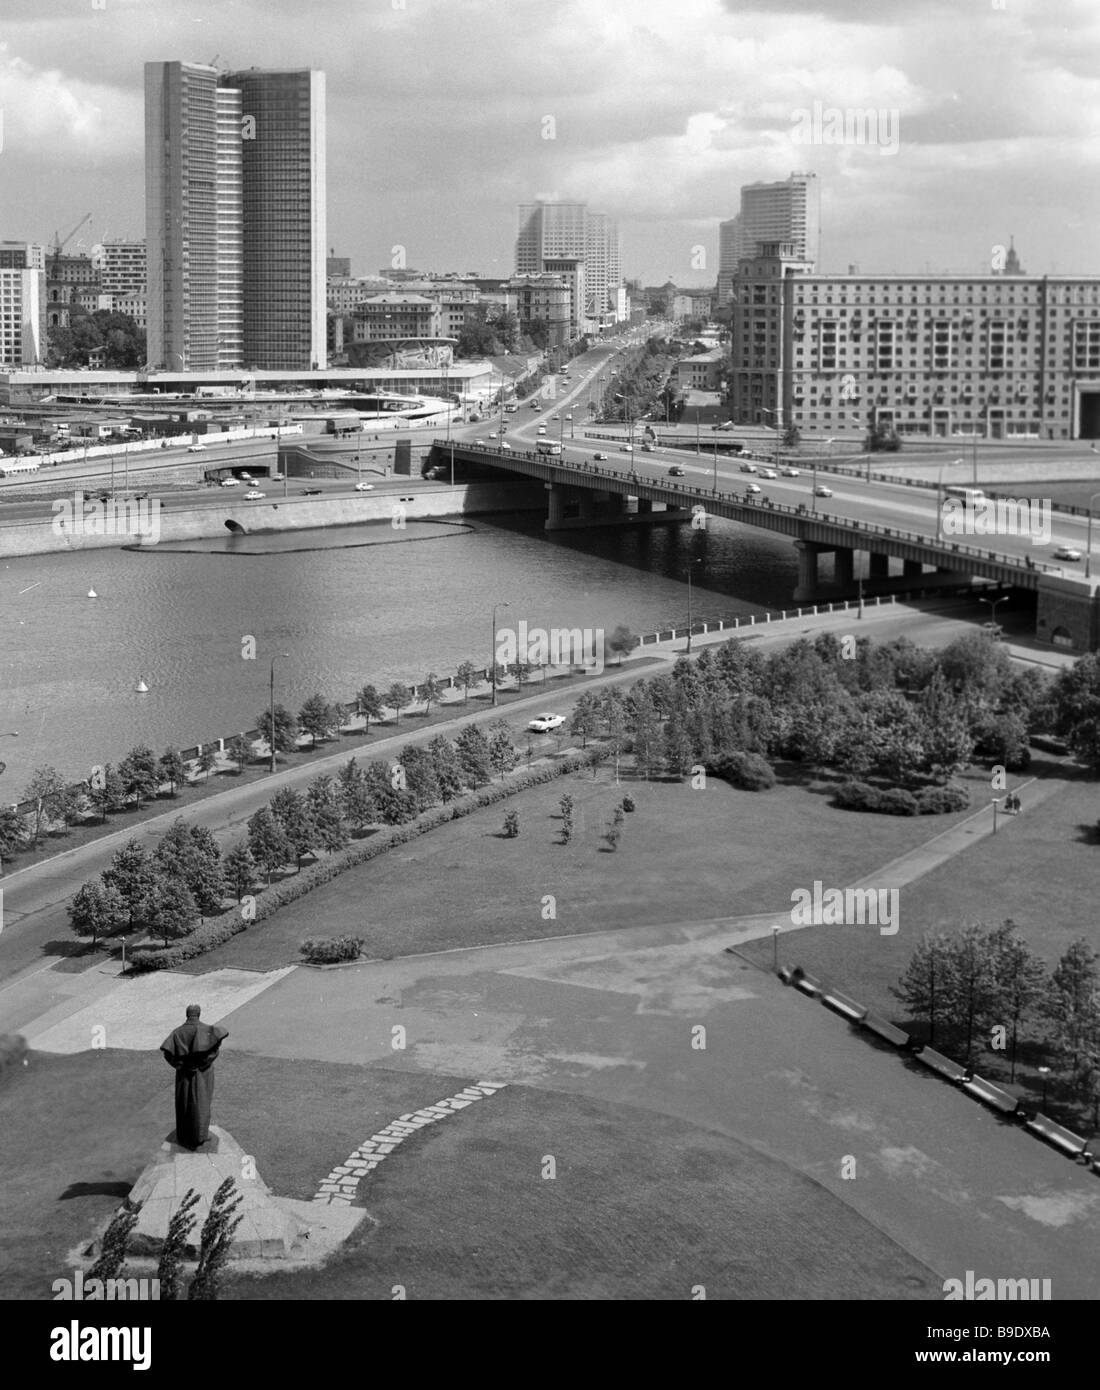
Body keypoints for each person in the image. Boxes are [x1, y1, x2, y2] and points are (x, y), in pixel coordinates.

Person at [159, 1005, 229, 1150]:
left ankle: (185, 1136)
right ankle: (200, 1135)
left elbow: (168, 1054)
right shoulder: (206, 1030)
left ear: (187, 1014)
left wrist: (181, 1065)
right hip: (203, 1074)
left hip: (184, 1074)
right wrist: (202, 1063)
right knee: (202, 1103)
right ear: (199, 1014)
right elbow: (214, 1049)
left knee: (184, 1103)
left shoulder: (177, 1033)